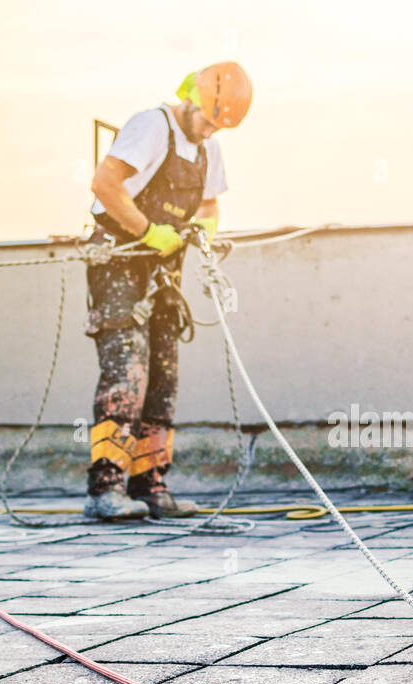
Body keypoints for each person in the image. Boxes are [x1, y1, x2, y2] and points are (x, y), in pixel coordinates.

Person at [82, 61, 252, 520]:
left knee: (162, 379)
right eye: (208, 120)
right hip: (120, 262)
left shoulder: (206, 148)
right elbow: (105, 183)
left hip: (163, 272)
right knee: (127, 375)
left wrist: (204, 230)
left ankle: (149, 484)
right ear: (191, 97)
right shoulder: (150, 127)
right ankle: (106, 486)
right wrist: (147, 230)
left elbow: (210, 201)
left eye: (220, 126)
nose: (211, 131)